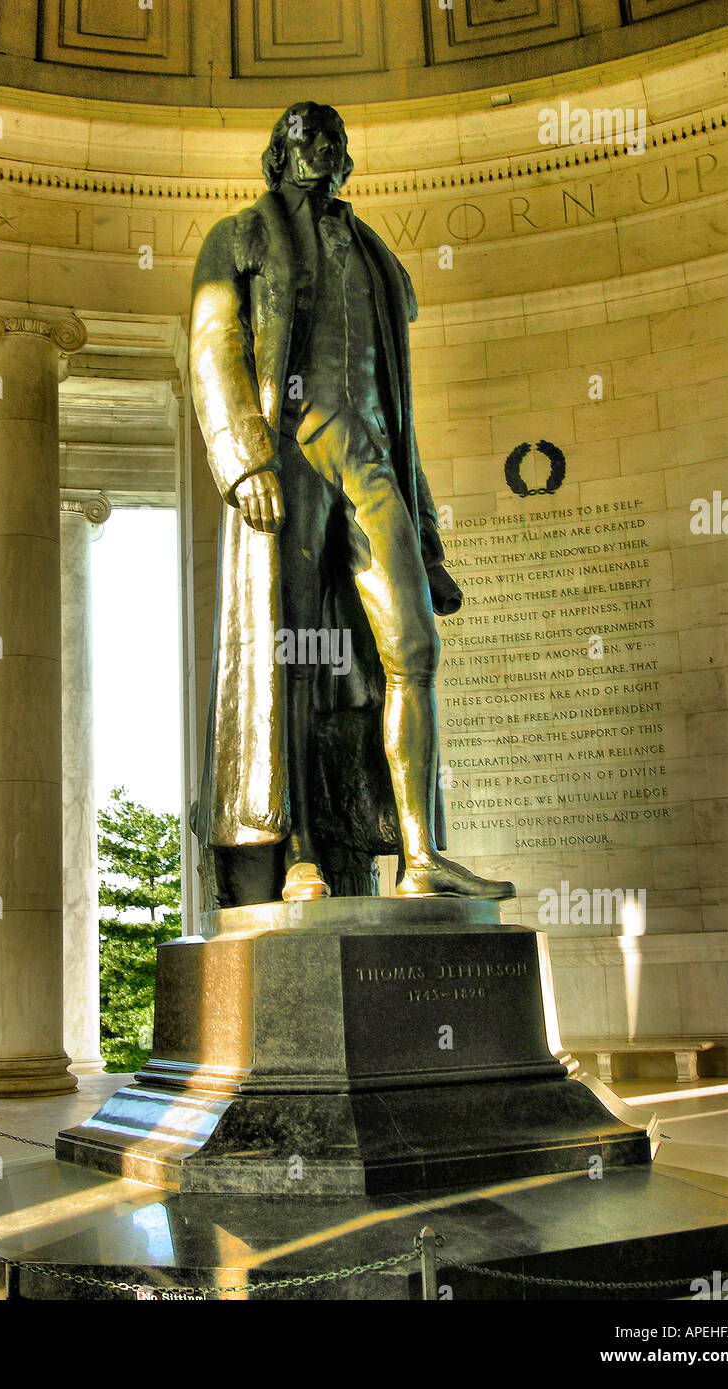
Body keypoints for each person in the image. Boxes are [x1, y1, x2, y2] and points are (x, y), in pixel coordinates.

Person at [189, 101, 515, 907]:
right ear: (276, 156)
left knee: (413, 649)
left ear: (346, 159)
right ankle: (299, 847)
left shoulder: (374, 255)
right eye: (301, 140)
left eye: (330, 140)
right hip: (288, 452)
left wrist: (430, 543)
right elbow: (211, 348)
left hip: (368, 462)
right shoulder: (238, 238)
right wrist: (241, 460)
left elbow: (395, 414)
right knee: (288, 655)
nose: (317, 151)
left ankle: (419, 854)